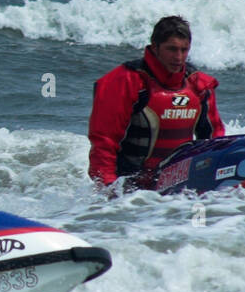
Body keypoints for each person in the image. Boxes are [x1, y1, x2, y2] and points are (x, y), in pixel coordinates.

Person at [88, 15, 225, 189]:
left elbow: (214, 140)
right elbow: (104, 141)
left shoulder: (199, 85)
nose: (179, 57)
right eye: (172, 49)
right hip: (129, 190)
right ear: (155, 47)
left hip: (177, 190)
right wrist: (107, 189)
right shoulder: (125, 82)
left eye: (184, 50)